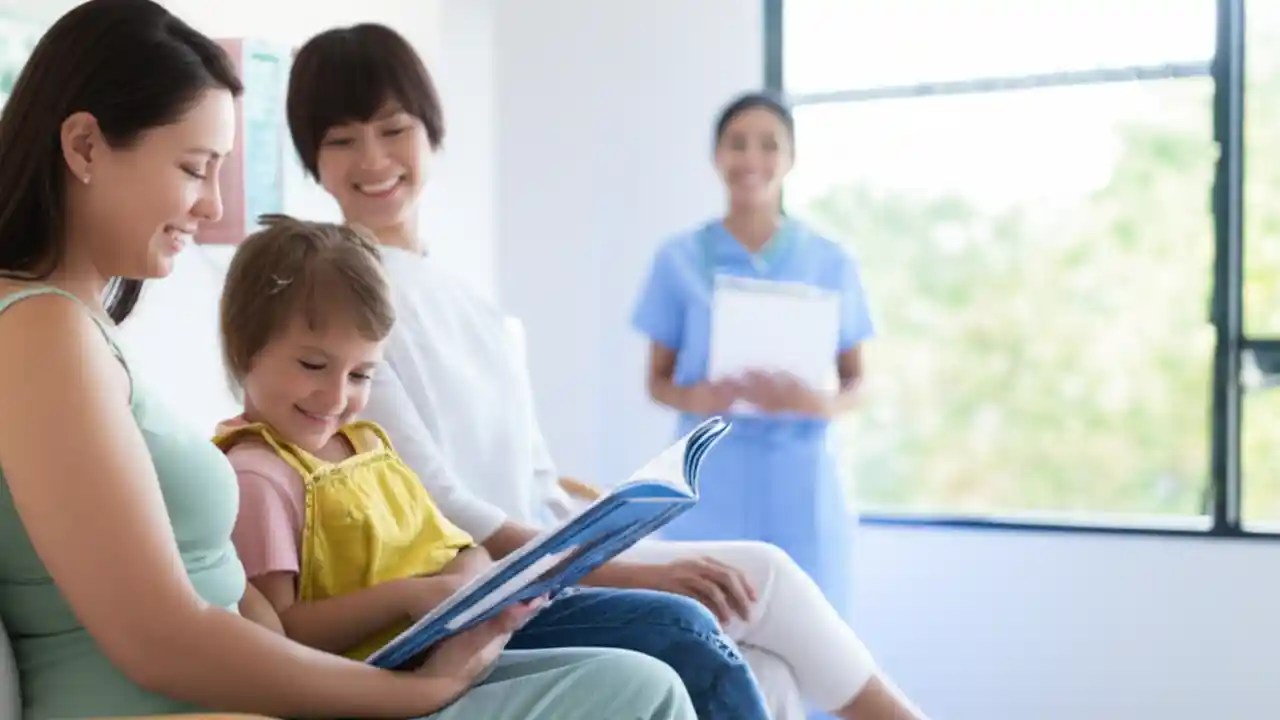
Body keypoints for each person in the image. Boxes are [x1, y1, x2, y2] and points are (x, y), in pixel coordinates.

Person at [0, 3, 693, 719]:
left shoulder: (73, 329)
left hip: (245, 686)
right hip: (191, 708)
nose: (211, 205)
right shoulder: (41, 332)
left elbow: (225, 604)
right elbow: (160, 641)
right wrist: (410, 694)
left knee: (635, 678)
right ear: (85, 147)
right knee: (638, 685)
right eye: (194, 169)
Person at [286, 22, 925, 720]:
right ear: (313, 158)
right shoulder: (345, 306)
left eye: (392, 129)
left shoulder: (466, 299)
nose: (373, 159)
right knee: (762, 580)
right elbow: (442, 502)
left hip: (548, 552)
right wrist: (621, 568)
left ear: (429, 132)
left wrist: (618, 532)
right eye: (341, 140)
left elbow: (535, 480)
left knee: (767, 662)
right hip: (484, 583)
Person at [632, 91, 868, 618]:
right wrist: (700, 397)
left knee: (811, 631)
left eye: (769, 145)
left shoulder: (831, 261)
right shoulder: (678, 259)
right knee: (707, 623)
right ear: (716, 156)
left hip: (803, 485)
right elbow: (657, 381)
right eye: (737, 144)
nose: (752, 158)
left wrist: (817, 403)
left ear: (791, 158)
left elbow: (860, 383)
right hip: (709, 478)